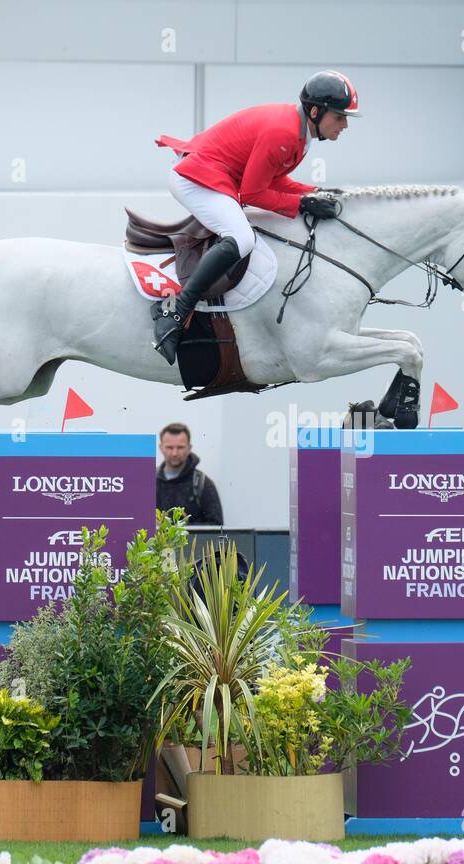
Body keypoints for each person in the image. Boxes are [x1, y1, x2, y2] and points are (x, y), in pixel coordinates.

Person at [149, 70, 358, 363]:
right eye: (339, 117)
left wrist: (314, 192)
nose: (345, 124)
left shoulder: (300, 132)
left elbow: (273, 181)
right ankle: (174, 310)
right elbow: (252, 194)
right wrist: (302, 205)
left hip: (213, 172)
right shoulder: (285, 132)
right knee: (242, 239)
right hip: (194, 178)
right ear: (315, 111)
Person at [156, 423, 223, 525]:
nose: (175, 453)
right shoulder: (147, 482)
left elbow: (217, 527)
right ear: (161, 448)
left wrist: (185, 528)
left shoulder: (202, 484)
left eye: (180, 447)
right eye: (169, 447)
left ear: (189, 448)